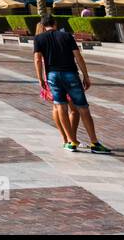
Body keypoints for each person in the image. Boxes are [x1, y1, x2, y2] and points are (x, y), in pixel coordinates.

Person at [33, 14, 111, 154]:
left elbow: (38, 60)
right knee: (83, 108)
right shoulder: (67, 36)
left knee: (60, 106)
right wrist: (86, 76)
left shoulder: (39, 38)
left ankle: (70, 142)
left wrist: (40, 78)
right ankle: (94, 143)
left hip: (53, 76)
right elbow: (78, 56)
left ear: (43, 26)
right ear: (55, 23)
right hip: (71, 74)